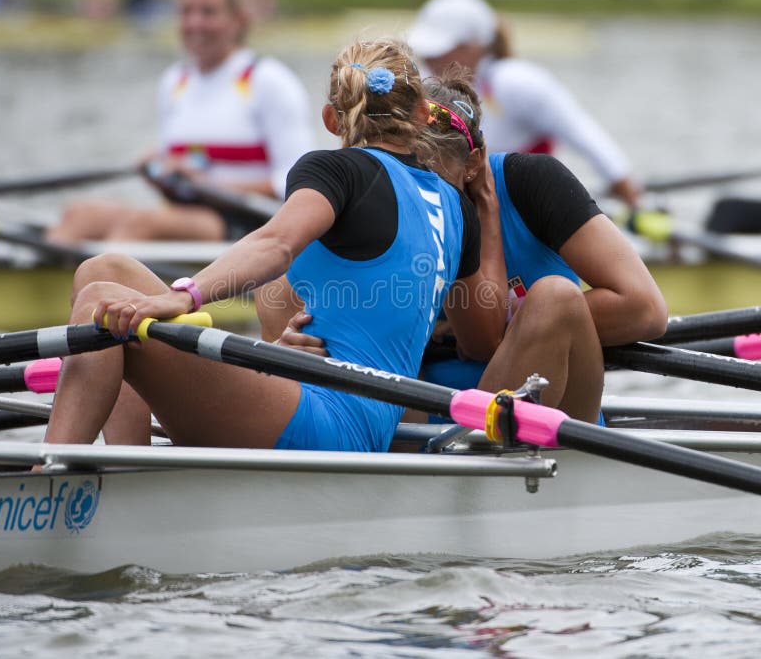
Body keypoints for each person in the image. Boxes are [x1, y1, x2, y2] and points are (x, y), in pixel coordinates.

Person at [40, 38, 504, 452]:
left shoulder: (335, 171)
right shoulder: (457, 207)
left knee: (101, 301)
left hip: (328, 423)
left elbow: (276, 244)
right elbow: (480, 339)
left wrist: (181, 295)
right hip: (361, 414)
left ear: (330, 118)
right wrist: (488, 207)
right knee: (104, 272)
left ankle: (50, 479)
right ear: (423, 114)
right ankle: (129, 472)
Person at [271, 69, 668, 424]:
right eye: (400, 170)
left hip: (546, 407)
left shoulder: (531, 182)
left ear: (473, 164)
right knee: (276, 287)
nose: (414, 190)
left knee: (555, 298)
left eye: (428, 174)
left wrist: (516, 326)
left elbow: (644, 308)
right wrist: (290, 349)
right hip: (424, 408)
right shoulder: (374, 196)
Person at [47, 0, 314, 243]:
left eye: (208, 12)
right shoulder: (176, 82)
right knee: (79, 212)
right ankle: (63, 280)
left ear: (238, 19)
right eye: (186, 12)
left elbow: (297, 185)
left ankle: (106, 281)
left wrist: (208, 187)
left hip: (252, 226)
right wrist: (159, 175)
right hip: (189, 216)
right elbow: (179, 183)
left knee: (142, 223)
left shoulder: (268, 80)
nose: (195, 23)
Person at [406, 0, 642, 207]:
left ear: (475, 45)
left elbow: (587, 138)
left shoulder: (517, 82)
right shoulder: (425, 84)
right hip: (465, 204)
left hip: (523, 208)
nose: (430, 59)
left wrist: (634, 202)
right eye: (427, 51)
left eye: (439, 50)